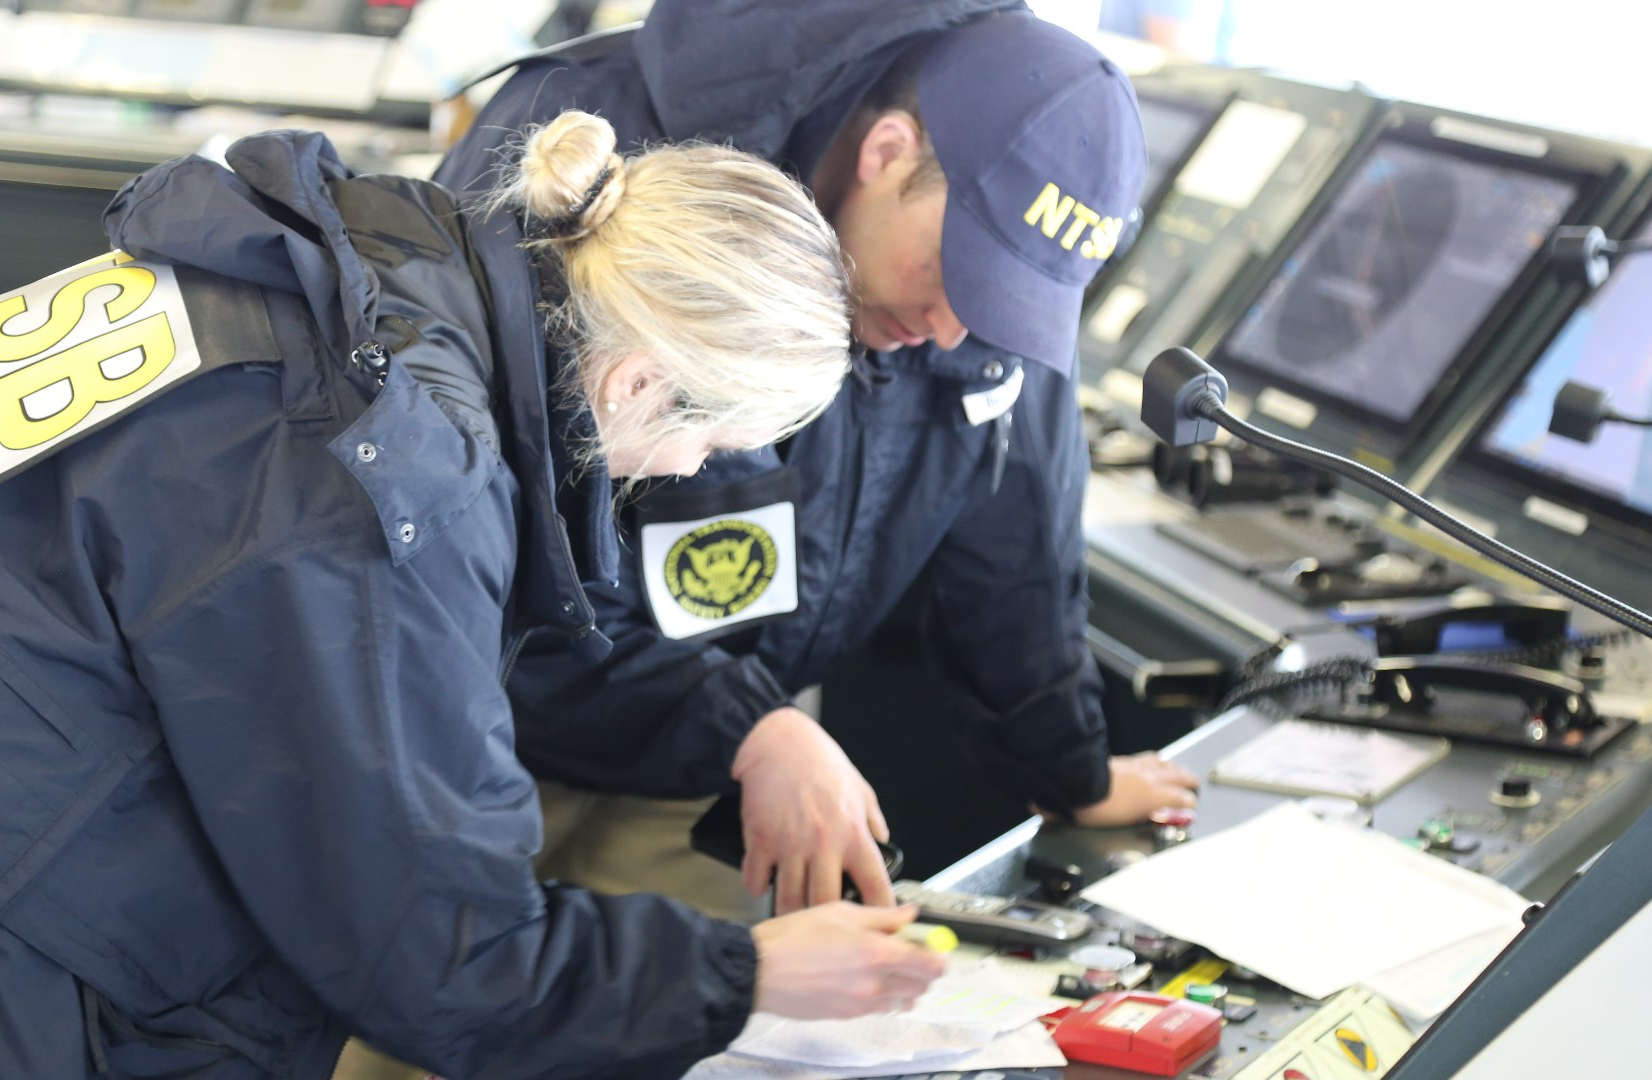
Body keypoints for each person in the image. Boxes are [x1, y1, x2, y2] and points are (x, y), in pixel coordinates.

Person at [0, 112, 948, 1080]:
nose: (689, 476)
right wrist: (746, 974)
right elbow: (443, 957)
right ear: (634, 384)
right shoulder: (380, 474)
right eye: (714, 444)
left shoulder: (333, 279)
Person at [434, 1, 1202, 922]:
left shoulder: (987, 287)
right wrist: (748, 726)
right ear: (886, 154)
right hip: (474, 748)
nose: (956, 328)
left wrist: (1066, 770)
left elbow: (1018, 546)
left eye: (1007, 303)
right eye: (959, 275)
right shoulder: (601, 158)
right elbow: (468, 554)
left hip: (710, 773)